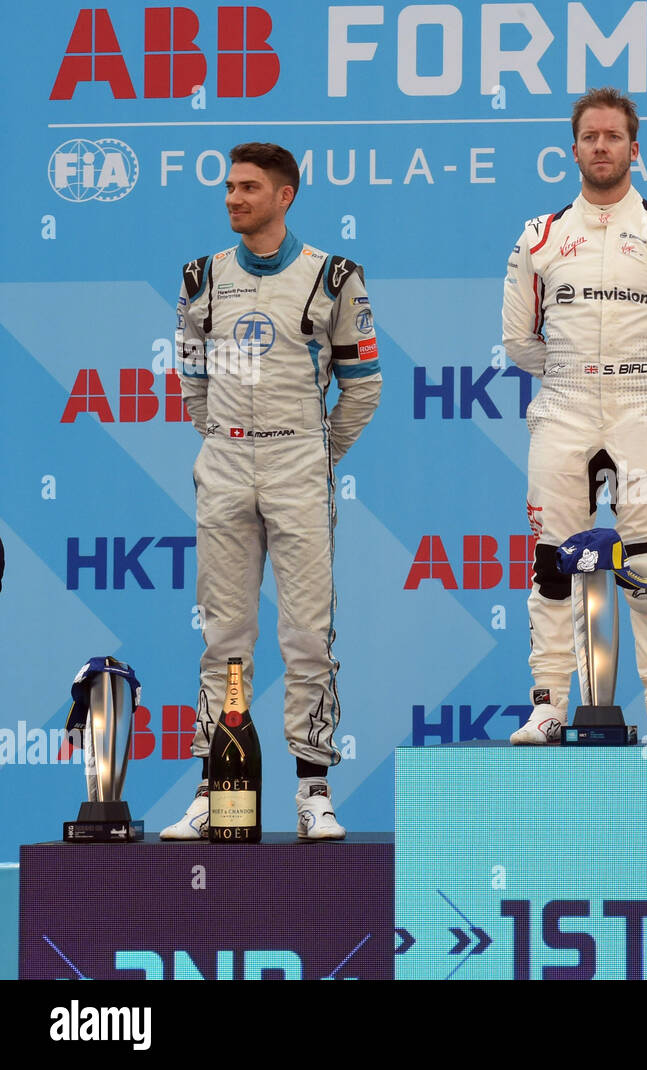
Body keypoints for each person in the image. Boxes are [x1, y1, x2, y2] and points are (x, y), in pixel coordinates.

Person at [162, 143, 381, 841]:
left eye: (248, 188)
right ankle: (212, 785)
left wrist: (313, 454)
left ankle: (313, 788)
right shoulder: (202, 278)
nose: (232, 198)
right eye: (229, 187)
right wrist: (225, 441)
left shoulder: (333, 278)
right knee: (224, 636)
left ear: (284, 197)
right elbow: (193, 385)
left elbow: (363, 387)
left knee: (306, 634)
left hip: (296, 462)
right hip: (224, 458)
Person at [502, 87, 647, 745]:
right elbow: (519, 340)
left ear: (634, 147)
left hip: (644, 408)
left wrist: (641, 378)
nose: (602, 147)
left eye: (613, 137)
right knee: (551, 563)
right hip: (564, 407)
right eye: (591, 137)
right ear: (573, 150)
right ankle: (547, 706)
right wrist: (574, 380)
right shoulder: (540, 235)